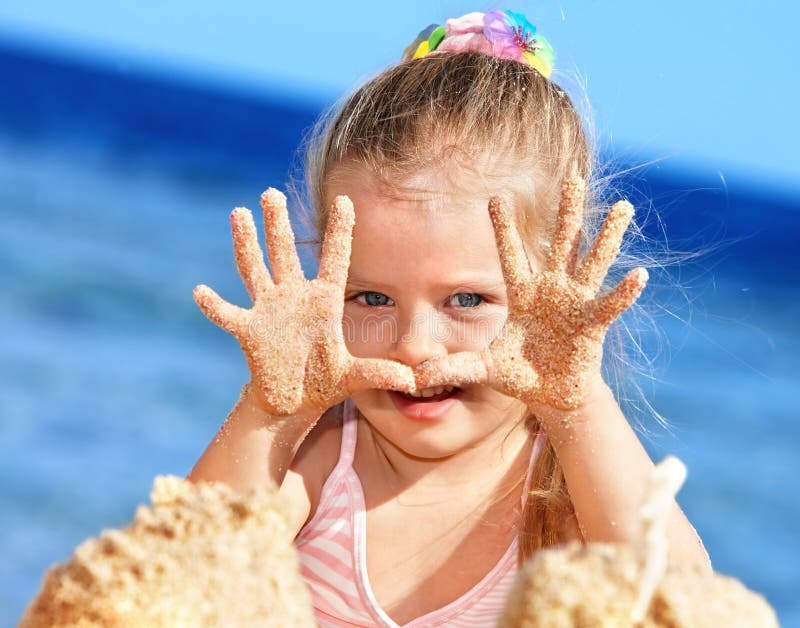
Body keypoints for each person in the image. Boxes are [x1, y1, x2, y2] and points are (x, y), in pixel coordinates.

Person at [188, 10, 711, 627]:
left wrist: (579, 408)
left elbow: (689, 609)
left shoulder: (565, 503)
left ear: (561, 288)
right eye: (371, 298)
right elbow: (177, 575)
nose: (414, 346)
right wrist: (270, 414)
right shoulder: (322, 463)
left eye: (467, 300)